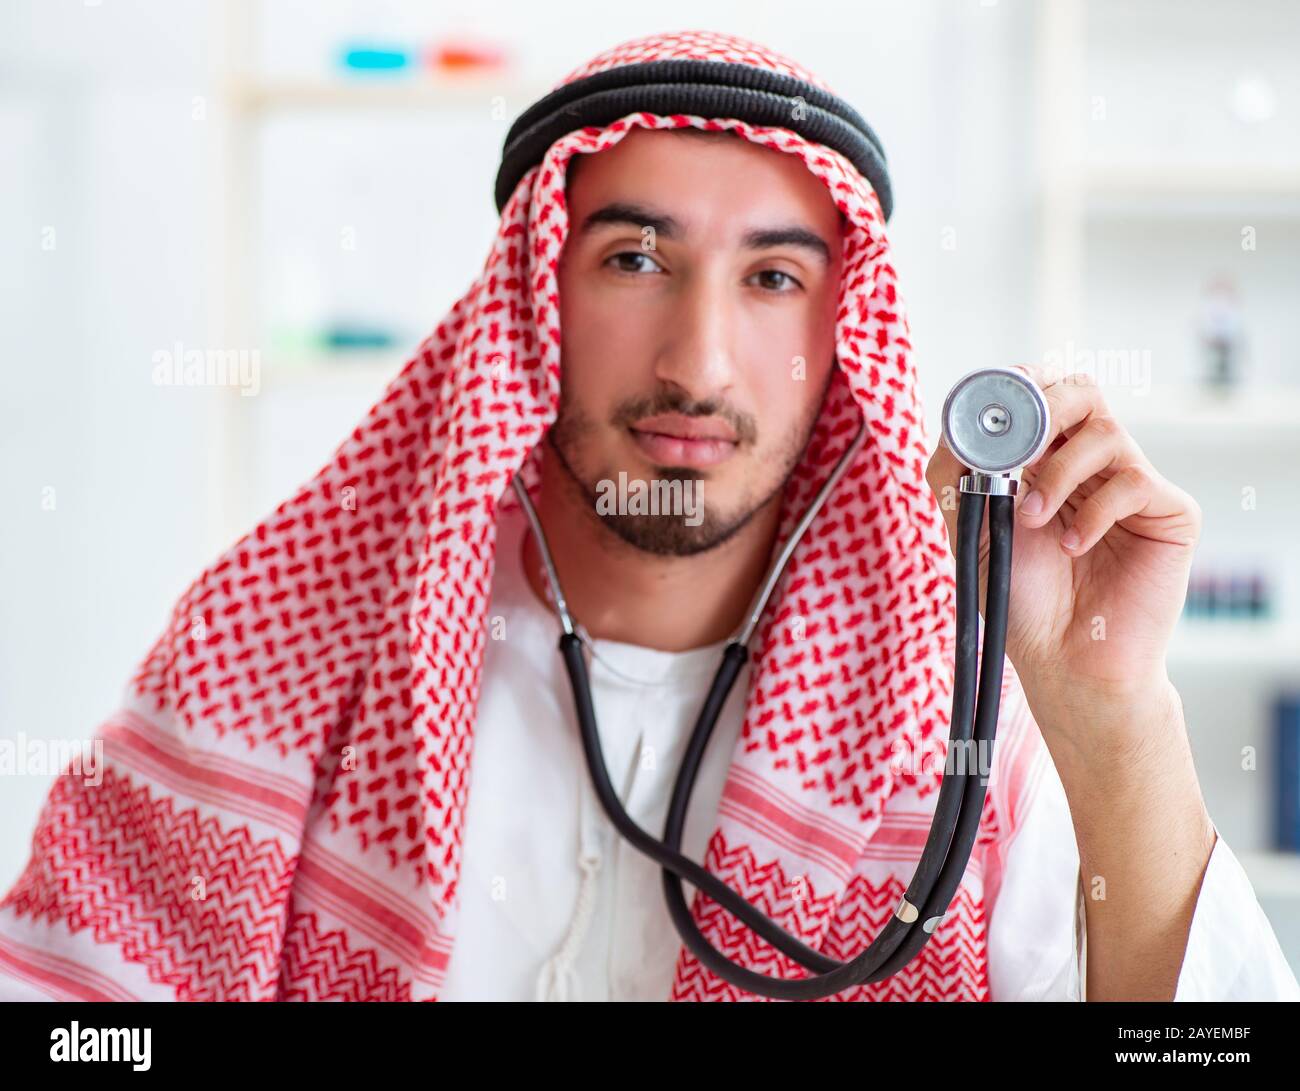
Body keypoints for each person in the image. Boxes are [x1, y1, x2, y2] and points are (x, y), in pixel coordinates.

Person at [1, 29, 1296, 1003]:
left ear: (845, 334)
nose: (701, 363)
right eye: (633, 260)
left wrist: (1115, 712)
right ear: (531, 300)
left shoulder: (960, 721)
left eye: (775, 278)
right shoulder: (275, 660)